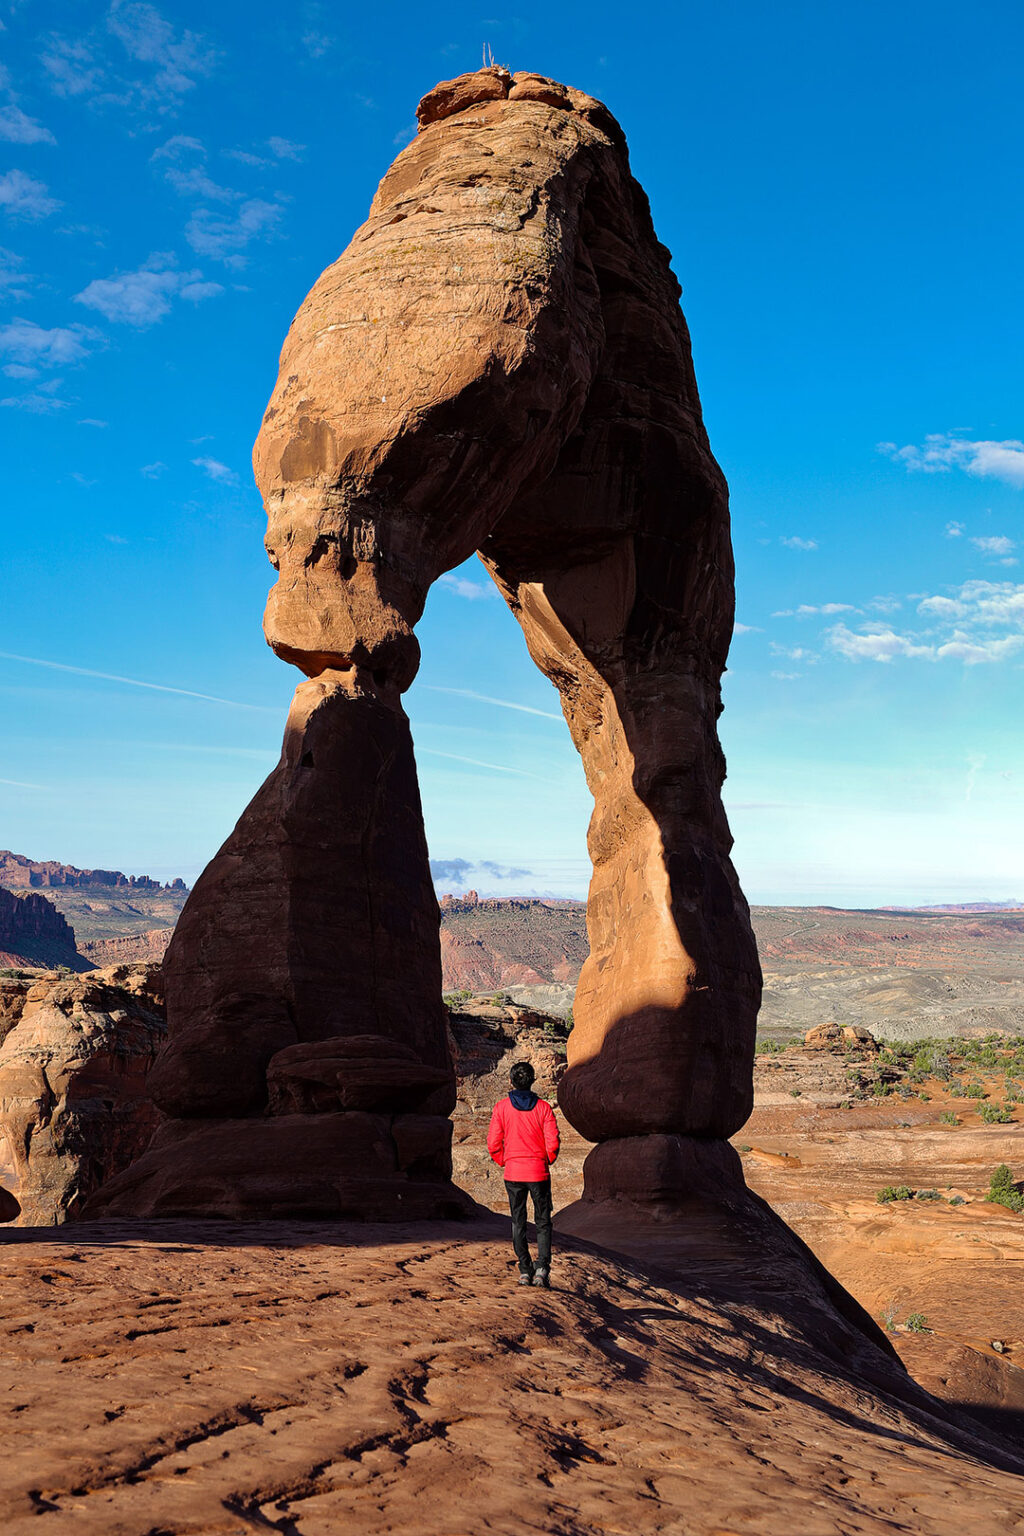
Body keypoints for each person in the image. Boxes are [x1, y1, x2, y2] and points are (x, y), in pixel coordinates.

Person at [487, 1060, 560, 1287]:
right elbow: (553, 1142)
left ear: (511, 1081)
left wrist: (504, 1160)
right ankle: (542, 1270)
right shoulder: (544, 1108)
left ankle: (525, 1270)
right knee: (543, 1222)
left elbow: (493, 1143)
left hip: (514, 1173)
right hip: (538, 1172)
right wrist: (545, 1160)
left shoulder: (501, 1108)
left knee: (518, 1222)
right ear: (532, 1081)